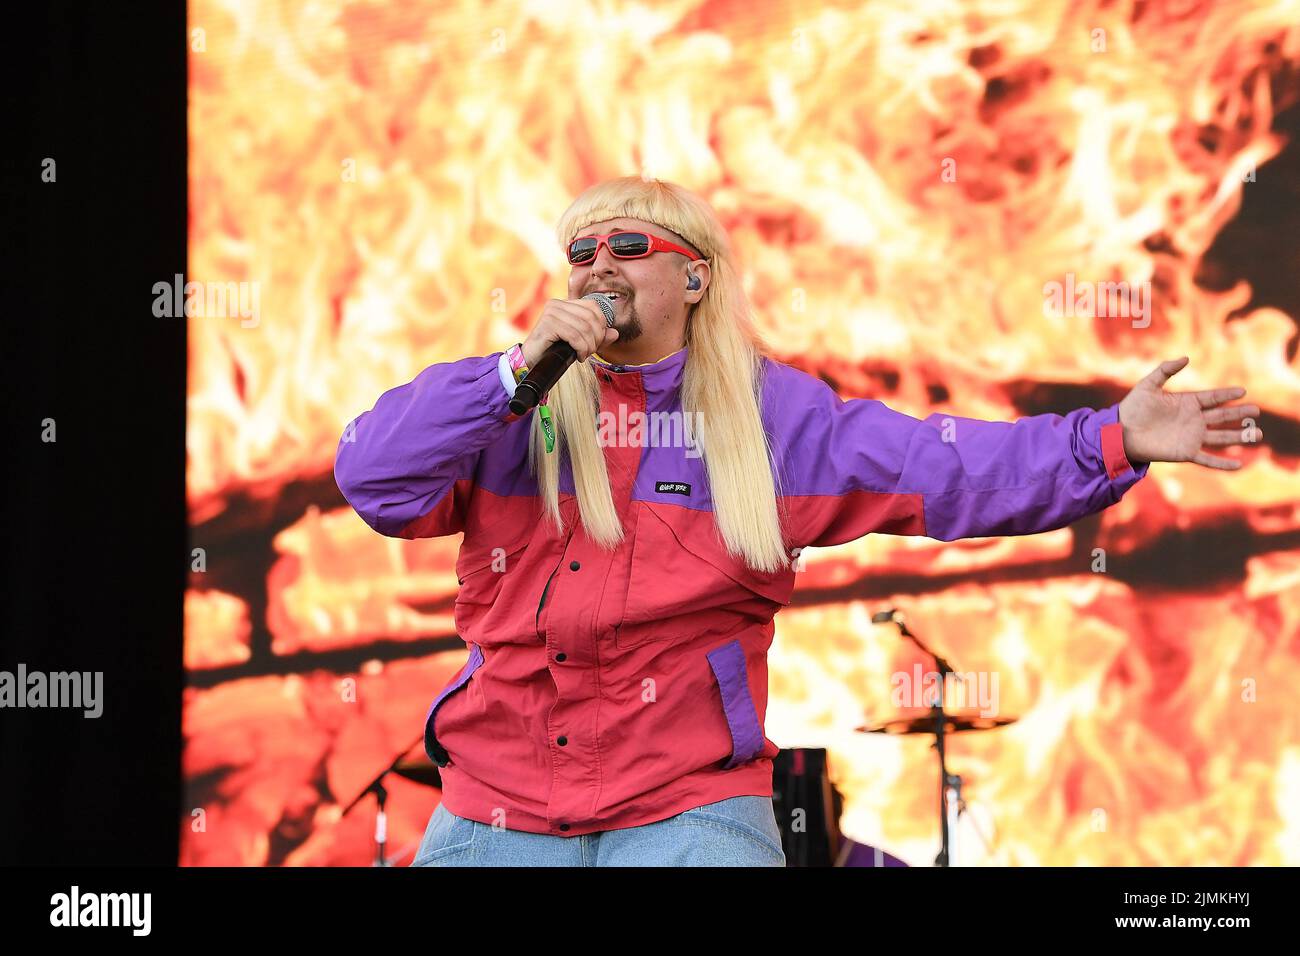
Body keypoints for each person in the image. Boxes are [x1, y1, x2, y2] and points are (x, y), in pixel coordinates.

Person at [333, 176, 1263, 867]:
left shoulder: (775, 421)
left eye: (626, 246)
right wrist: (507, 376)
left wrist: (1111, 440)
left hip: (688, 817)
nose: (598, 268)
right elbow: (371, 476)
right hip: (496, 811)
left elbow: (944, 466)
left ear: (693, 279)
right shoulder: (507, 411)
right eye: (580, 255)